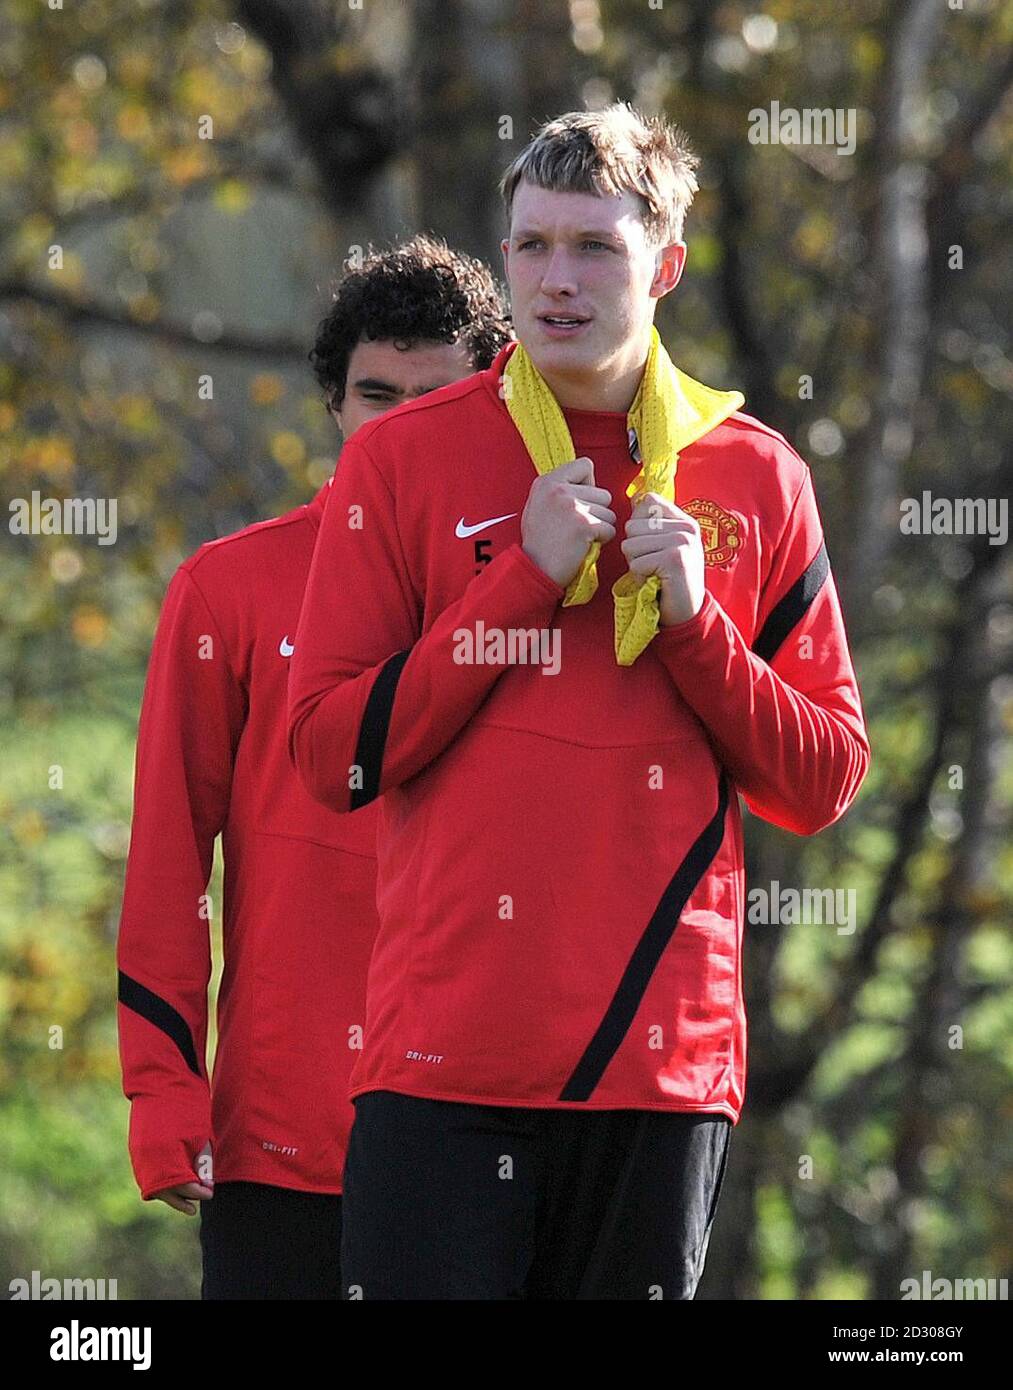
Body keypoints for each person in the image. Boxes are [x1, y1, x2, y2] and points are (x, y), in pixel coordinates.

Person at [288, 104, 871, 1301]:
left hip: (657, 1074)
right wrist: (523, 580)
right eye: (531, 246)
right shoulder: (400, 460)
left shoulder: (754, 472)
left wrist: (701, 629)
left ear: (663, 264)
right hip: (441, 1066)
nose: (556, 281)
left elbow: (820, 783)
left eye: (593, 248)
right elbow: (330, 755)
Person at [117, 235, 513, 1299]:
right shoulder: (228, 589)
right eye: (376, 394)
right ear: (333, 403)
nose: (401, 424)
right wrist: (161, 1089)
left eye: (436, 397)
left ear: (494, 400)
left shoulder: (548, 592)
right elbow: (164, 859)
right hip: (281, 1138)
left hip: (493, 1130)